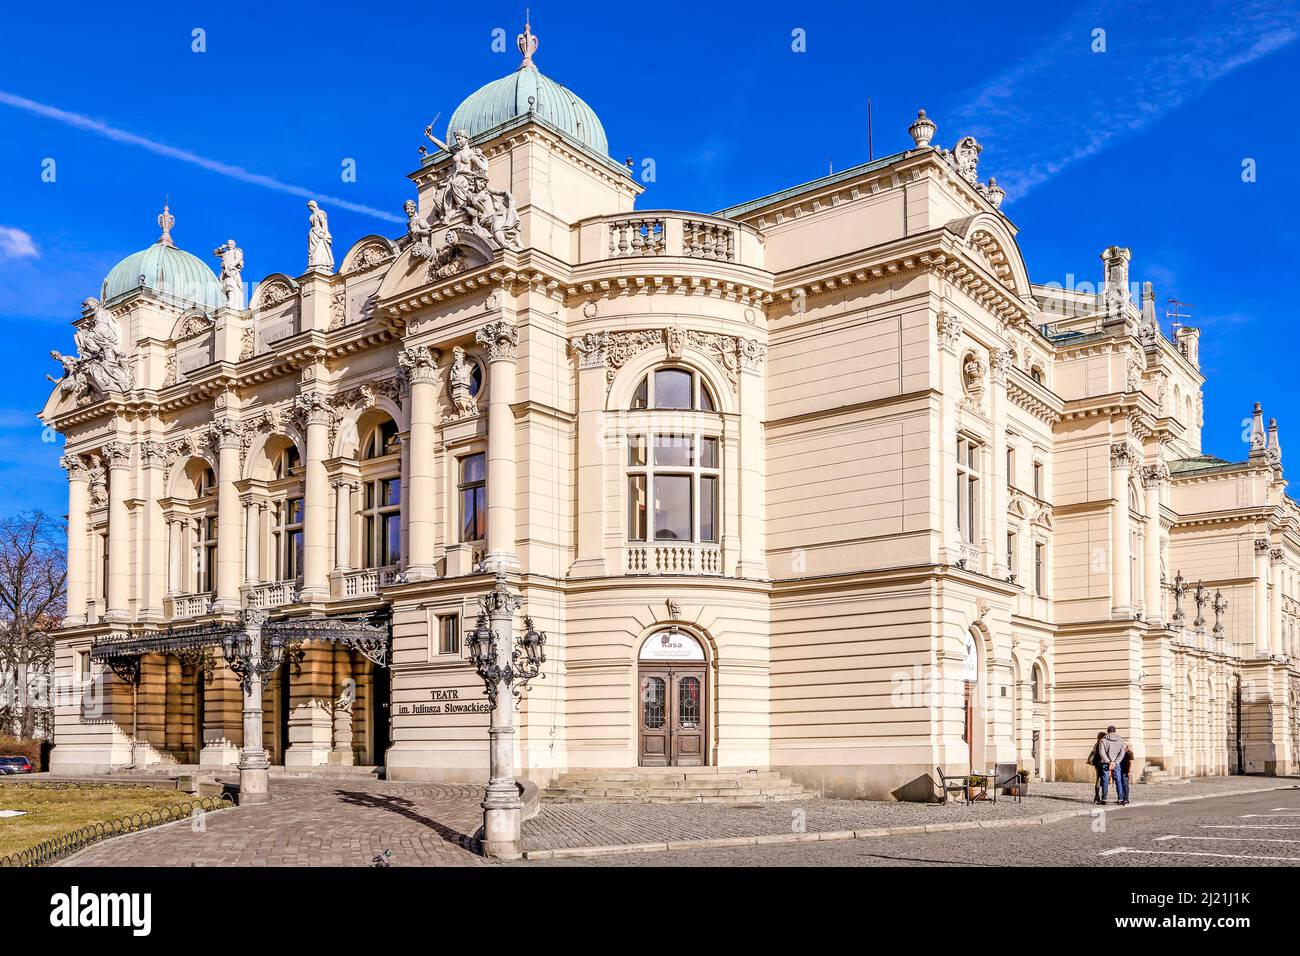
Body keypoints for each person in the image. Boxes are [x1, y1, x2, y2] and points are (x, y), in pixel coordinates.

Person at [1097, 724, 1128, 805]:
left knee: (1105, 780)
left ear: (1108, 731)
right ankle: (1120, 799)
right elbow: (1122, 753)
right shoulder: (1121, 740)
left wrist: (1108, 761)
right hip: (1116, 764)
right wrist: (1115, 762)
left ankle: (1104, 799)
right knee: (1118, 781)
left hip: (1105, 763)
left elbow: (1101, 752)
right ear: (1115, 731)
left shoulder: (1103, 740)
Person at [1087, 731, 1105, 805]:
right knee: (1104, 779)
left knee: (1098, 778)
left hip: (1097, 763)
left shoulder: (1096, 744)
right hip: (1103, 763)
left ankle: (1096, 796)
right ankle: (1102, 797)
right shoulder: (1103, 744)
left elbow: (1094, 752)